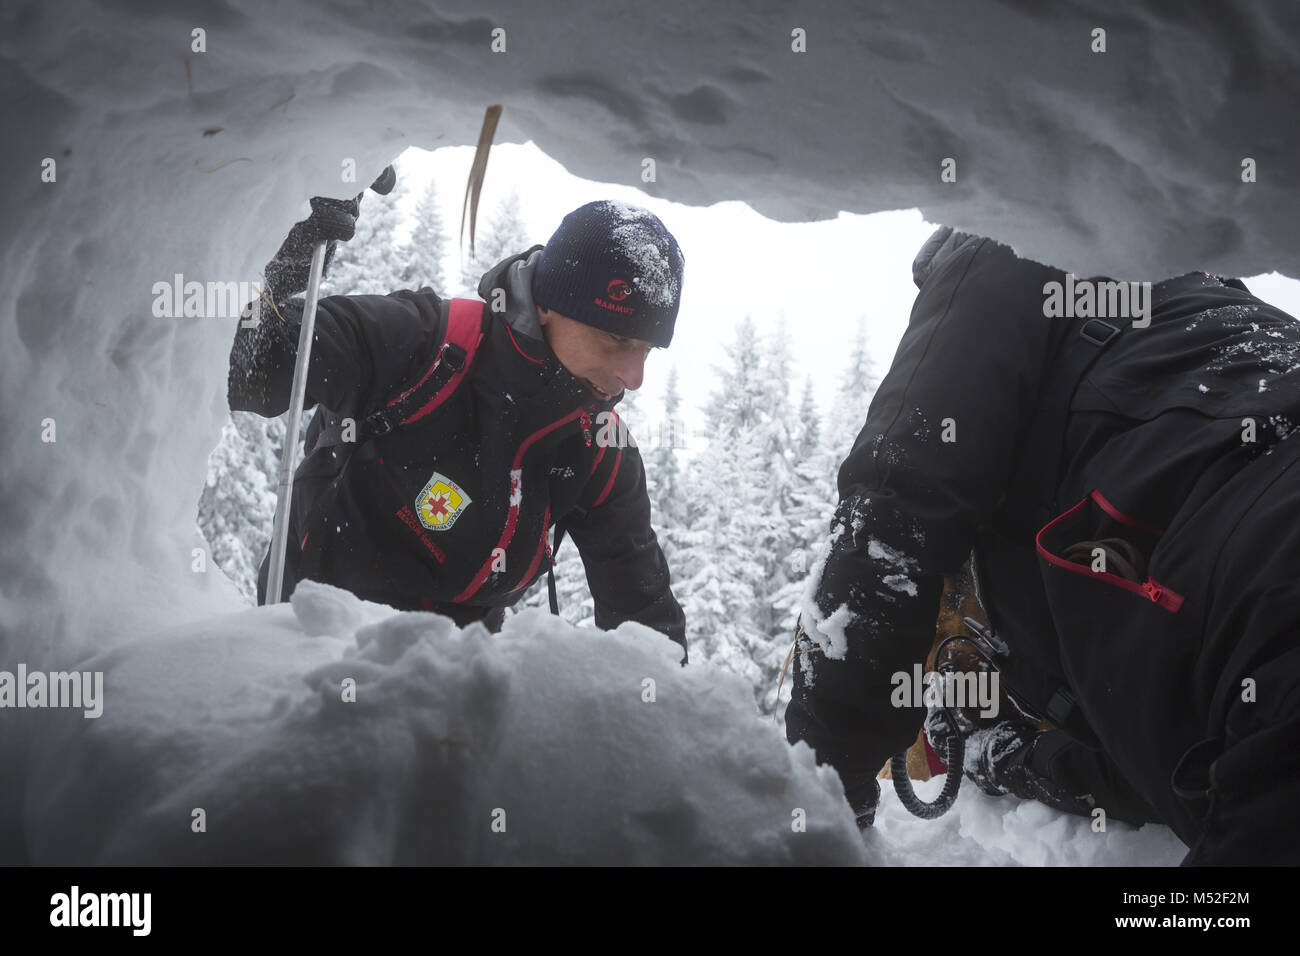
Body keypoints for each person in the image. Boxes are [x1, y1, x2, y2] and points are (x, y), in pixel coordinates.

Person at [786, 226, 1300, 864]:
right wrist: (1016, 760)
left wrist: (823, 799)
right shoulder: (1222, 323)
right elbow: (1174, 772)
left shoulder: (1012, 241)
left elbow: (894, 515)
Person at [227, 175, 687, 655]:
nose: (634, 377)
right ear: (549, 305)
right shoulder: (423, 343)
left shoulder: (601, 451)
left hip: (454, 690)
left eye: (648, 351)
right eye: (618, 339)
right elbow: (244, 367)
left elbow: (645, 620)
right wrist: (286, 262)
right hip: (311, 656)